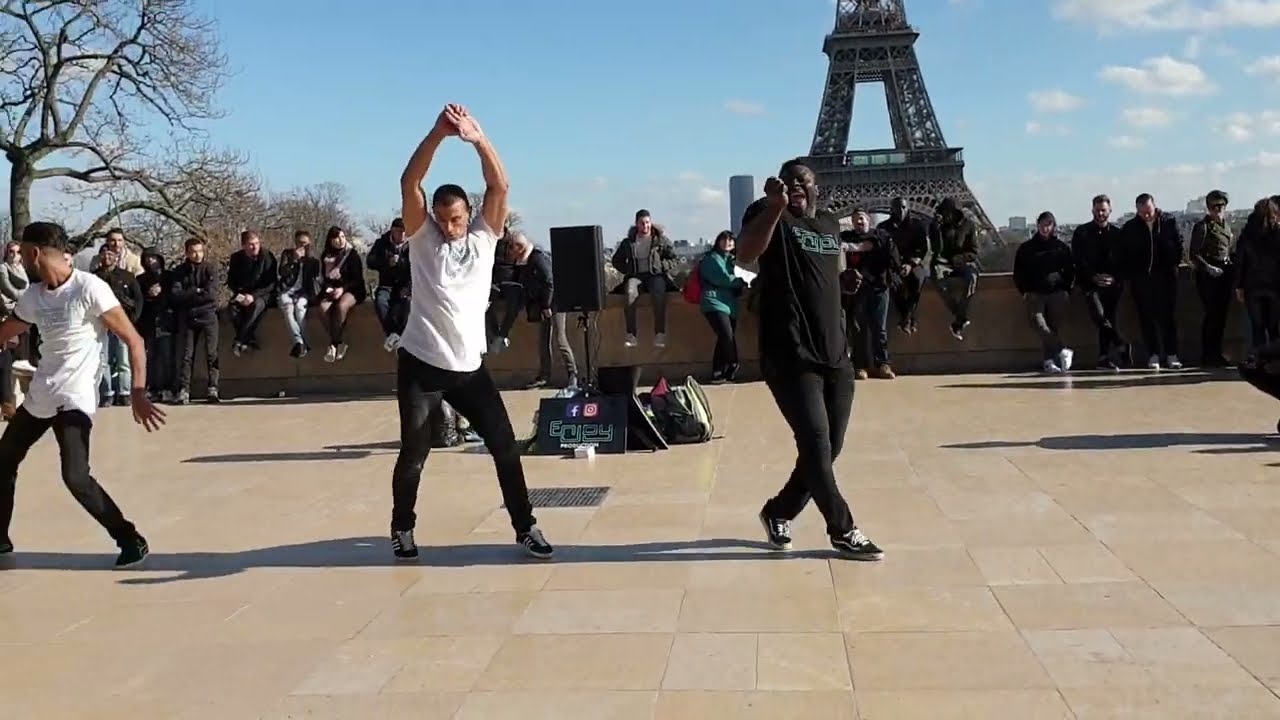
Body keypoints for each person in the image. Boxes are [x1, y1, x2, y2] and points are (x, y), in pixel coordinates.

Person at [392, 103, 551, 561]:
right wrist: (437, 135)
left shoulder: (485, 236)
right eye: (440, 218)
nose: (447, 226)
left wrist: (478, 139)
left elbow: (499, 185)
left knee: (505, 445)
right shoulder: (422, 237)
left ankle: (526, 527)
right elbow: (410, 184)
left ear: (469, 214)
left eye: (455, 218)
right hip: (421, 365)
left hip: (468, 370)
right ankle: (402, 528)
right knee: (415, 453)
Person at [736, 159, 883, 561]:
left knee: (828, 448)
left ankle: (779, 510)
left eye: (803, 179)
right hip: (790, 353)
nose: (796, 184)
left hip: (835, 354)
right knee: (816, 443)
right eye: (788, 179)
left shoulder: (830, 227)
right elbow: (747, 254)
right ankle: (843, 528)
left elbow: (821, 279)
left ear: (816, 187)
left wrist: (843, 284)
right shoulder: (770, 216)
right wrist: (775, 206)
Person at [0, 221, 164, 567]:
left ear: (33, 253)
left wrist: (137, 392)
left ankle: (129, 538)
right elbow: (7, 330)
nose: (25, 262)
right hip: (42, 394)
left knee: (75, 477)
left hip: (75, 398)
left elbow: (134, 341)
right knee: (3, 461)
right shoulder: (34, 295)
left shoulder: (90, 288)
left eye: (25, 254)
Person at [504, 231, 578, 389]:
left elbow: (549, 281)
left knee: (560, 339)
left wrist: (546, 305)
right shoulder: (522, 262)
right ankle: (544, 376)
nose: (510, 251)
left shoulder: (537, 258)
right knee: (543, 341)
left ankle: (573, 374)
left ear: (520, 247)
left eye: (512, 247)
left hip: (555, 303)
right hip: (543, 304)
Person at [1119, 193, 1183, 370]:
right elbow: (1124, 254)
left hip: (1166, 277)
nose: (1147, 216)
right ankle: (1153, 354)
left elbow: (1179, 245)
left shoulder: (1169, 222)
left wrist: (1172, 264)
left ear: (1155, 206)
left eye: (1149, 211)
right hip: (1141, 280)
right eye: (1142, 213)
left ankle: (1172, 354)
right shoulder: (1130, 228)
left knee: (1167, 318)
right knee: (1146, 318)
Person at [1071, 194, 1130, 371]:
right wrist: (1093, 277)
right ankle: (1120, 343)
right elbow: (1077, 260)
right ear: (1092, 211)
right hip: (1091, 284)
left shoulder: (1118, 234)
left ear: (1109, 211)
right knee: (1100, 317)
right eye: (1097, 211)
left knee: (1108, 318)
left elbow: (1124, 261)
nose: (1100, 214)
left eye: (1103, 210)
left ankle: (1103, 358)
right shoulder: (1081, 233)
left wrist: (1113, 278)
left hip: (1113, 284)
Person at [841, 210, 900, 380]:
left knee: (879, 328)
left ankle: (883, 364)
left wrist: (855, 249)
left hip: (879, 288)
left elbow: (882, 249)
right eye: (855, 219)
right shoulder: (846, 236)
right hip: (857, 291)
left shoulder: (880, 235)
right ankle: (861, 366)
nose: (858, 222)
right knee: (858, 329)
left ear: (868, 220)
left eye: (861, 218)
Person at [1014, 212, 1075, 373]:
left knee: (1051, 328)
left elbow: (1070, 271)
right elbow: (1018, 273)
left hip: (1057, 293)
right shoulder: (1026, 248)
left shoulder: (1061, 247)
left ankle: (1049, 361)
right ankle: (1062, 350)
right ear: (1037, 225)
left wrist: (1065, 289)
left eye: (1048, 224)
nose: (1045, 228)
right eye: (1042, 224)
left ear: (1053, 226)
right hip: (1034, 293)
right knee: (1038, 323)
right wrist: (1024, 291)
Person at [611, 210, 678, 348]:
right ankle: (631, 334)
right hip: (636, 276)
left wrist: (662, 266)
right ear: (637, 224)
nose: (645, 226)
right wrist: (628, 270)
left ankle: (660, 333)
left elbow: (674, 258)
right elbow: (616, 260)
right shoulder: (628, 242)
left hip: (655, 275)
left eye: (647, 222)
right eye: (642, 223)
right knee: (629, 293)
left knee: (659, 293)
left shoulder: (660, 240)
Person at [170, 237, 220, 404]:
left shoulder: (210, 269)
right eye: (193, 251)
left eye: (200, 251)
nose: (197, 255)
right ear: (187, 253)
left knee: (212, 353)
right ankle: (184, 389)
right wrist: (195, 291)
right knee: (186, 355)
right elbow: (176, 295)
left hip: (208, 315)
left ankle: (213, 387)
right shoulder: (179, 272)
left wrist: (191, 295)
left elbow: (211, 295)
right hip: (188, 317)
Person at [1189, 190, 1235, 367]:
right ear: (1208, 208)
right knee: (1212, 316)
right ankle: (1209, 355)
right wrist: (1208, 267)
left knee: (1221, 316)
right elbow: (1194, 253)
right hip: (1208, 277)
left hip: (1224, 274)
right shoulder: (1203, 226)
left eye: (1221, 206)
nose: (1218, 210)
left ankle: (1217, 353)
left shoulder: (1226, 226)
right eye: (1214, 207)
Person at [92, 246, 143, 406]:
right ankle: (107, 393)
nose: (107, 257)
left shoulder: (127, 276)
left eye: (110, 254)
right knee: (103, 360)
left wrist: (133, 319)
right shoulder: (94, 278)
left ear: (116, 256)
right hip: (102, 325)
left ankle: (124, 392)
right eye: (104, 253)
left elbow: (138, 299)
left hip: (123, 323)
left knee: (124, 360)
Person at [698, 230, 747, 383]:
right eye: (724, 240)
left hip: (729, 305)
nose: (728, 243)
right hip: (713, 302)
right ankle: (733, 364)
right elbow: (726, 279)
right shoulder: (711, 259)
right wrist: (743, 280)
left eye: (731, 240)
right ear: (718, 242)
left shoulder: (733, 260)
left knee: (724, 337)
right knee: (727, 335)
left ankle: (719, 373)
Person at [929, 197, 980, 340]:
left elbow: (975, 252)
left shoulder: (969, 225)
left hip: (962, 262)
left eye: (948, 213)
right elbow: (936, 249)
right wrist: (936, 228)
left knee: (972, 278)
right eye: (944, 213)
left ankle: (959, 318)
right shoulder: (938, 226)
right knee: (937, 279)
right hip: (943, 263)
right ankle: (960, 316)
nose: (946, 216)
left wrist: (962, 258)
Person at [877, 197, 929, 334]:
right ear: (891, 209)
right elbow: (880, 250)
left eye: (904, 207)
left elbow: (922, 249)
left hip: (912, 263)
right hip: (892, 265)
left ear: (908, 208)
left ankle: (906, 318)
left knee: (917, 279)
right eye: (898, 207)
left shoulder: (918, 226)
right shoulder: (882, 228)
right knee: (893, 282)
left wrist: (910, 264)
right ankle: (907, 317)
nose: (901, 210)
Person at [1236, 197, 1280, 353]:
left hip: (1252, 286)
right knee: (1274, 329)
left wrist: (1239, 286)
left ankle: (1259, 361)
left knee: (1257, 328)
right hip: (1275, 287)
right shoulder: (1277, 232)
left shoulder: (1248, 233)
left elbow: (1240, 260)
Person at [317, 226, 366, 363]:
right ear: (331, 240)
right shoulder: (326, 256)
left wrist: (342, 289)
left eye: (343, 237)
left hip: (352, 288)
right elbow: (324, 278)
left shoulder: (351, 255)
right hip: (332, 289)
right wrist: (329, 289)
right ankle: (339, 341)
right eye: (337, 238)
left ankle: (332, 344)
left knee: (341, 306)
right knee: (323, 308)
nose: (340, 240)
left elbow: (357, 278)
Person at [225, 230, 278, 357]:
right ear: (243, 246)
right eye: (251, 244)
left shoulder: (267, 256)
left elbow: (271, 284)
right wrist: (240, 295)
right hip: (243, 293)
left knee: (256, 306)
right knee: (232, 309)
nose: (255, 247)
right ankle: (248, 339)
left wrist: (253, 296)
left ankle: (239, 340)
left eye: (257, 243)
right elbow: (231, 281)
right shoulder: (236, 258)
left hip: (263, 294)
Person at [368, 218, 413, 352]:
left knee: (406, 305)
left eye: (405, 232)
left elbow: (417, 268)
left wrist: (409, 287)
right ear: (392, 231)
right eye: (399, 232)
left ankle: (398, 335)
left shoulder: (412, 244)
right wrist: (386, 262)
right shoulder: (381, 243)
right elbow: (370, 262)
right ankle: (392, 336)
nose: (402, 235)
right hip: (386, 284)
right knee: (381, 302)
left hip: (405, 284)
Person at [277, 230, 322, 358]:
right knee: (287, 308)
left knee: (300, 310)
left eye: (305, 244)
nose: (301, 246)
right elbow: (282, 272)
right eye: (299, 243)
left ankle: (301, 343)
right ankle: (300, 342)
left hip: (303, 293)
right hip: (287, 290)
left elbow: (314, 281)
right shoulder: (287, 254)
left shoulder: (313, 261)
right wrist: (294, 261)